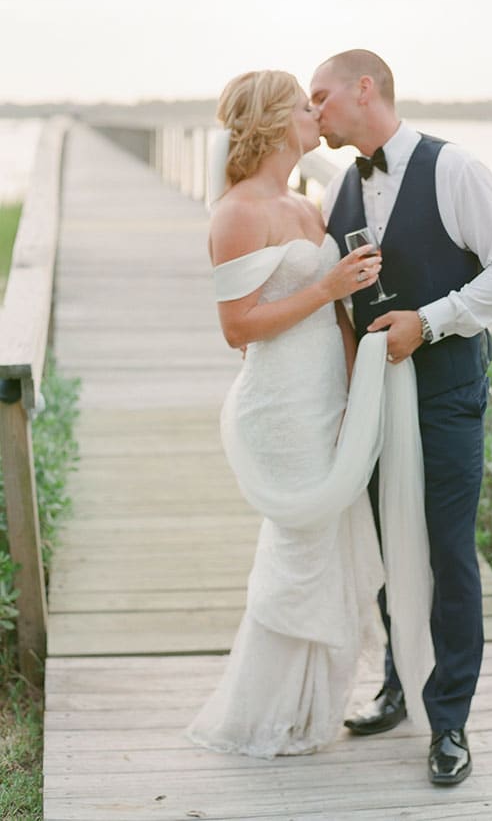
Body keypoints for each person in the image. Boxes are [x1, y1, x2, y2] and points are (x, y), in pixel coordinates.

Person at [185, 70, 431, 759]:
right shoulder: (238, 212)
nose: (314, 113)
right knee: (300, 555)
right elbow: (238, 328)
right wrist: (326, 283)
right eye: (303, 105)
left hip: (329, 396)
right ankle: (264, 714)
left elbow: (336, 311)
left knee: (330, 554)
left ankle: (312, 709)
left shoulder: (304, 203)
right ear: (273, 122)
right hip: (282, 405)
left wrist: (358, 383)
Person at [311, 49, 492, 785]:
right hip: (373, 401)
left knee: (446, 553)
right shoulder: (345, 180)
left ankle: (451, 723)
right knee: (382, 544)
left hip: (444, 396)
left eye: (321, 97)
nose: (314, 114)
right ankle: (400, 686)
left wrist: (430, 323)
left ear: (363, 89)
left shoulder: (456, 168)